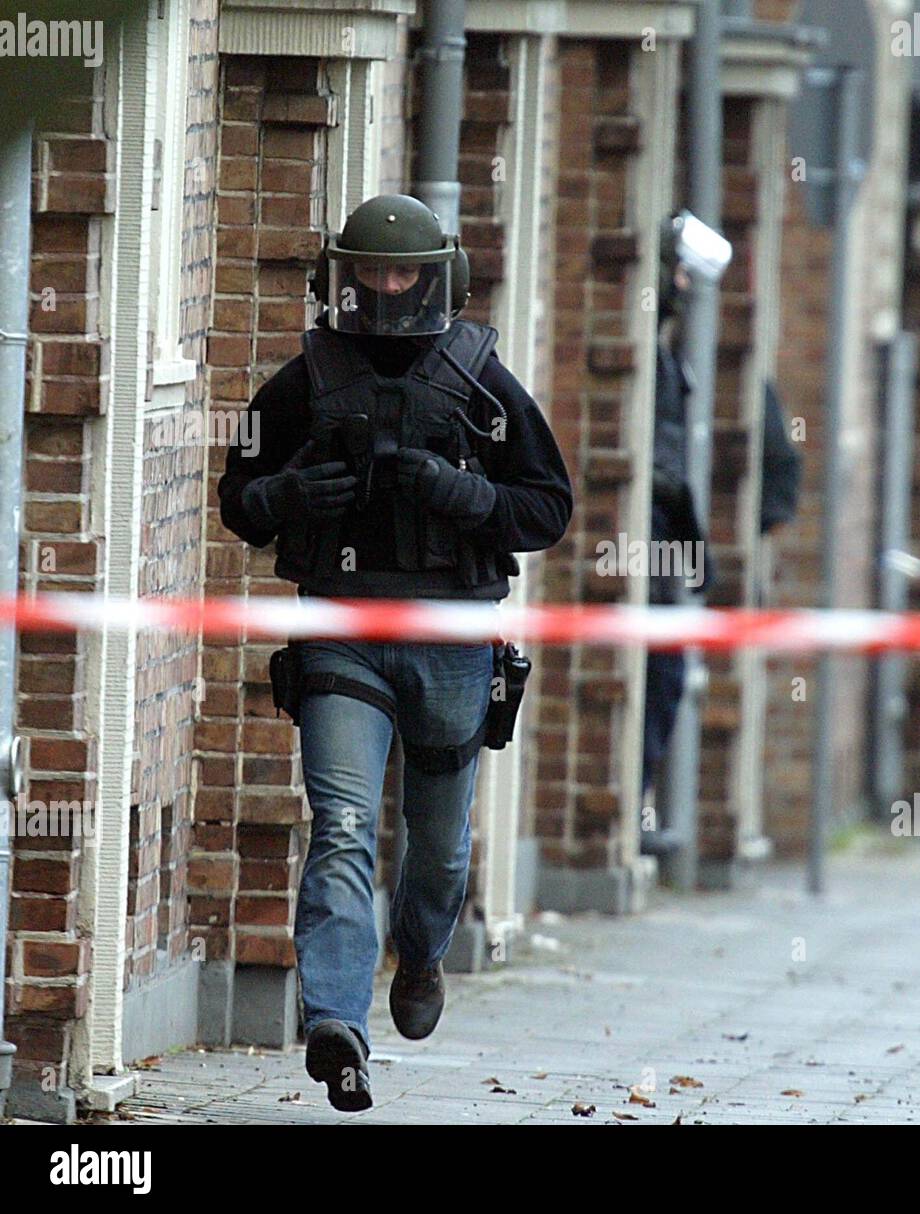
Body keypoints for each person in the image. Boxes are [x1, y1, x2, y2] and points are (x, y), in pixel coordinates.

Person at [217, 194, 572, 1110]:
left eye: (401, 272)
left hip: (453, 636)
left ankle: (418, 955)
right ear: (342, 277)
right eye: (368, 272)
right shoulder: (308, 378)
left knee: (439, 847)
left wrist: (466, 496)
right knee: (338, 824)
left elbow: (547, 507)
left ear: (435, 277)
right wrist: (291, 495)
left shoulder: (484, 381)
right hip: (343, 628)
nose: (384, 287)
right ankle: (337, 1021)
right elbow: (239, 496)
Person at [638, 213, 723, 852]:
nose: (685, 286)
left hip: (664, 551)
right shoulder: (646, 361)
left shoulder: (666, 359)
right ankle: (633, 814)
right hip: (646, 550)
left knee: (664, 683)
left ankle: (638, 810)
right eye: (677, 273)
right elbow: (659, 471)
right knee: (654, 680)